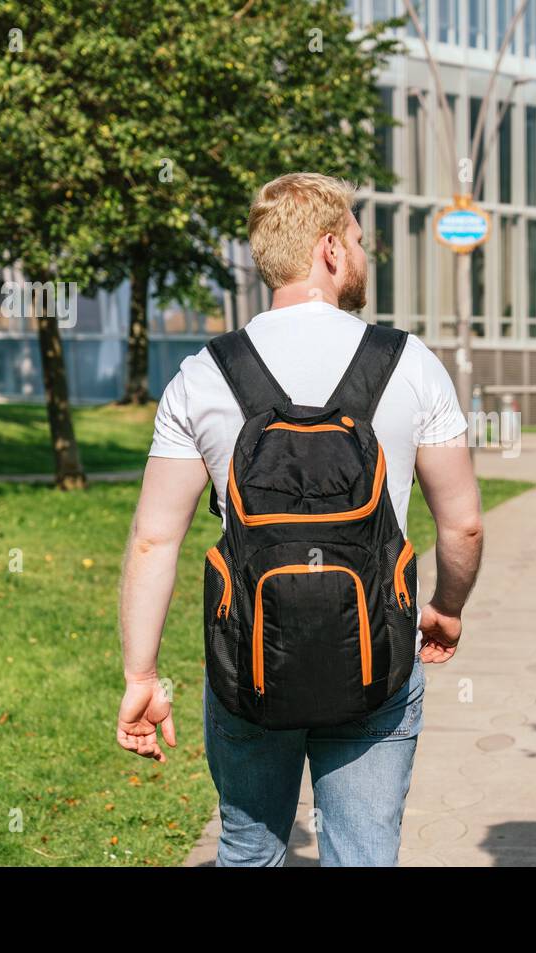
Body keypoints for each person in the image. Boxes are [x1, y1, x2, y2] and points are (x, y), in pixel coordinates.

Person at [116, 172, 483, 866]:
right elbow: (461, 524)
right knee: (364, 854)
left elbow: (153, 539)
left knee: (249, 850)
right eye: (355, 237)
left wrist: (142, 675)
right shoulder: (409, 365)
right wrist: (446, 605)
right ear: (330, 251)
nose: (361, 252)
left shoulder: (204, 373)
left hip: (248, 660)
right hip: (377, 655)